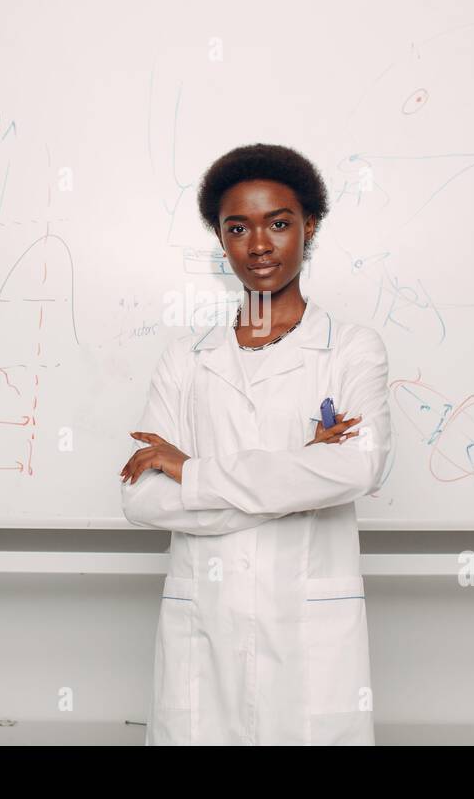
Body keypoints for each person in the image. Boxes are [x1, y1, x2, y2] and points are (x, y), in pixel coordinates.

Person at [119, 142, 393, 745]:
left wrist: (192, 473)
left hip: (307, 634)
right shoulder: (186, 360)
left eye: (279, 223)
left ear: (309, 227)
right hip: (205, 631)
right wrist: (299, 473)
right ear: (221, 240)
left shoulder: (351, 349)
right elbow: (140, 499)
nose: (259, 245)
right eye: (237, 227)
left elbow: (358, 467)